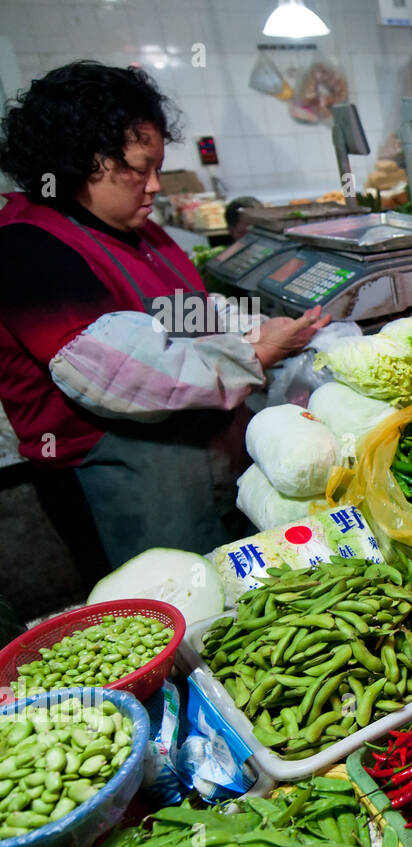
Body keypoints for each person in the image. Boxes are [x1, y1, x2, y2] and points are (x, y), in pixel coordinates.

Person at [0, 61, 330, 581]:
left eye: (158, 166)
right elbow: (125, 374)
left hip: (194, 458)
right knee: (170, 606)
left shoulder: (136, 232)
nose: (155, 186)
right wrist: (256, 355)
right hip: (120, 477)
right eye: (137, 167)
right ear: (76, 160)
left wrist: (254, 328)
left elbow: (178, 310)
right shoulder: (29, 248)